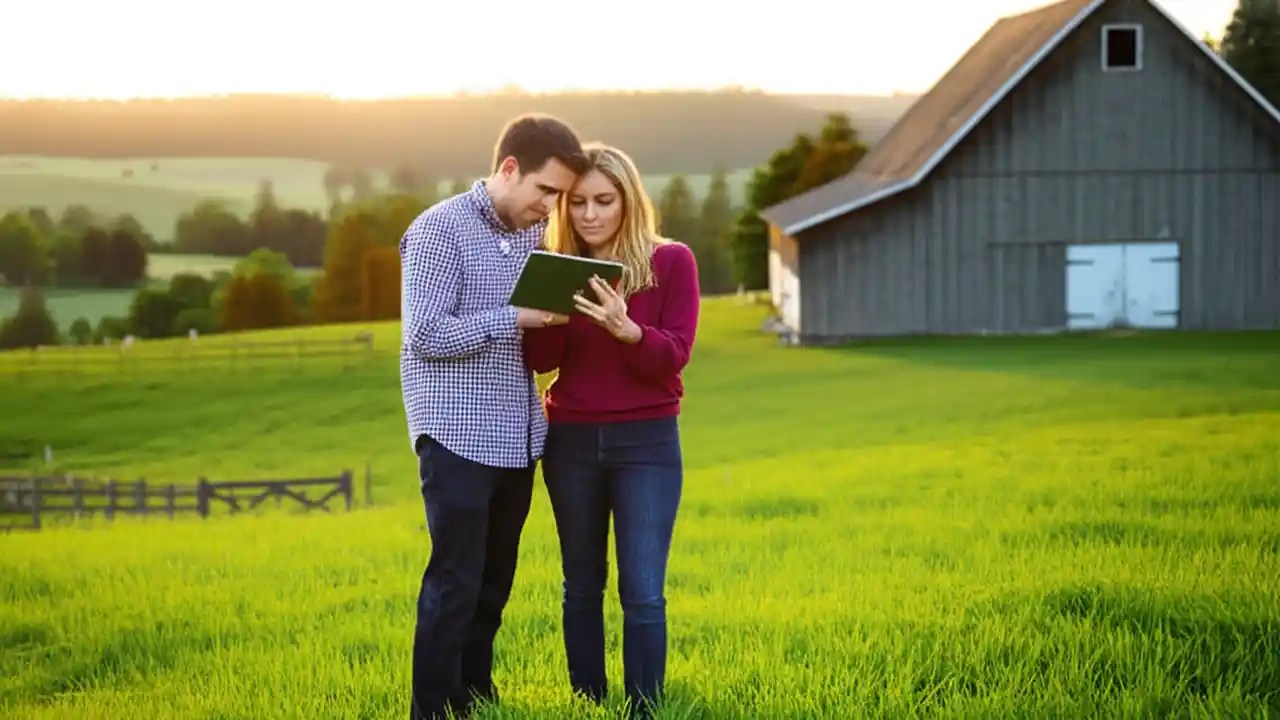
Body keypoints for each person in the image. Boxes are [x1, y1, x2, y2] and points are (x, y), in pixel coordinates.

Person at [399, 113, 589, 720]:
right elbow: (425, 334)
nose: (551, 206)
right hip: (454, 434)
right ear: (509, 170)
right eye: (546, 191)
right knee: (454, 582)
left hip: (517, 437)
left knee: (492, 585)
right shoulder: (438, 230)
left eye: (559, 196)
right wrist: (514, 318)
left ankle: (473, 700)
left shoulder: (536, 237)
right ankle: (429, 709)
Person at [521, 142, 700, 717]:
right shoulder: (555, 265)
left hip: (647, 444)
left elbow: (674, 354)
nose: (590, 215)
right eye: (577, 203)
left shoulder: (671, 262)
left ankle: (644, 708)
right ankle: (589, 703)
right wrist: (548, 312)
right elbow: (540, 359)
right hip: (570, 442)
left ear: (629, 200)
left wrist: (629, 331)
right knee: (582, 586)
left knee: (643, 590)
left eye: (604, 200)